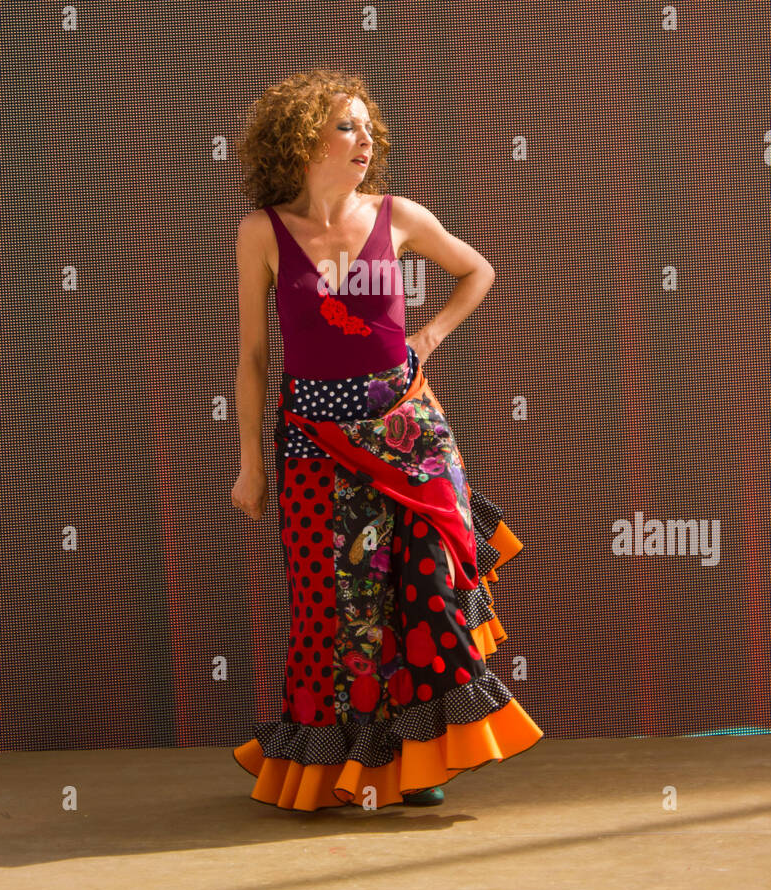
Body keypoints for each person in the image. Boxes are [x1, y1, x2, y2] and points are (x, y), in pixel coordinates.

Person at [230, 67, 543, 811]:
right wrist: (250, 465)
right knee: (335, 608)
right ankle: (346, 767)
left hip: (408, 432)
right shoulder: (261, 232)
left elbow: (478, 270)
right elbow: (250, 359)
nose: (366, 138)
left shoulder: (399, 216)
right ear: (303, 140)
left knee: (423, 592)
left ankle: (420, 761)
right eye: (348, 126)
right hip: (312, 440)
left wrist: (428, 338)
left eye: (369, 126)